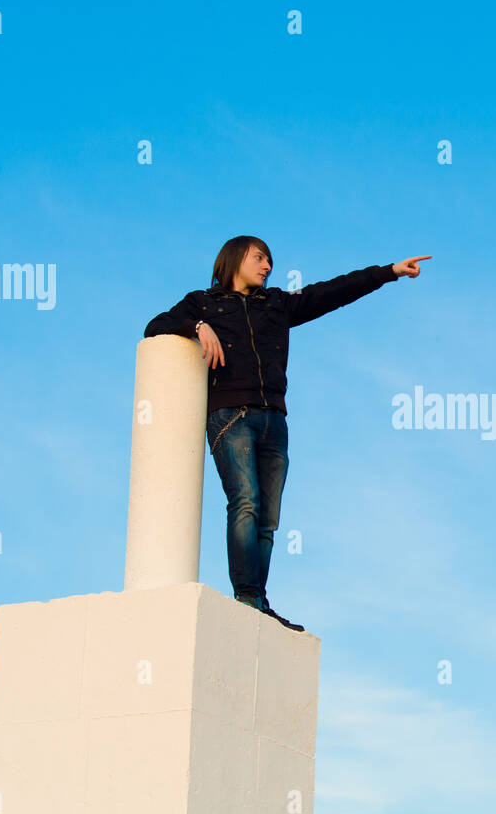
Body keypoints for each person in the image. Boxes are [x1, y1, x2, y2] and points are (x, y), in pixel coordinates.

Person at [143, 236, 431, 631]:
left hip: (274, 419)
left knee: (268, 519)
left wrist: (389, 272)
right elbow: (155, 326)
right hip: (231, 415)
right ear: (235, 258)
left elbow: (332, 292)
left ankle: (257, 601)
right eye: (259, 258)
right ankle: (246, 595)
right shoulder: (203, 302)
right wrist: (197, 326)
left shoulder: (276, 305)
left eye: (269, 262)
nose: (266, 267)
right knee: (245, 502)